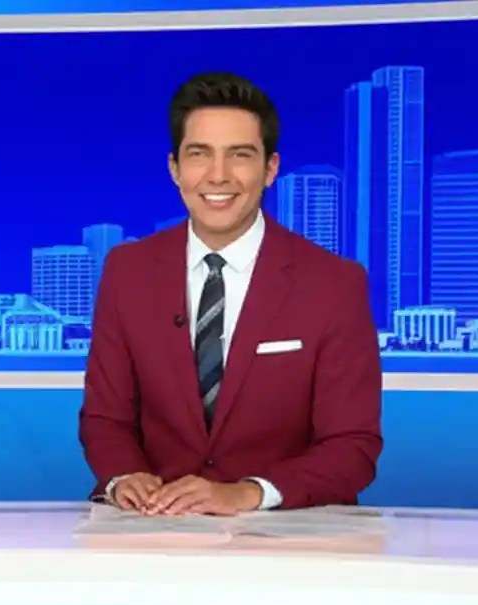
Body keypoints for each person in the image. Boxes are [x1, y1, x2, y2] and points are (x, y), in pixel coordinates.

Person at [79, 72, 382, 515]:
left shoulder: (334, 284)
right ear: (174, 168)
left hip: (284, 534)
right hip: (154, 527)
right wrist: (125, 476)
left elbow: (353, 446)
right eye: (199, 154)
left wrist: (246, 493)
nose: (218, 176)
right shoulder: (128, 272)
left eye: (239, 155)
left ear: (270, 169)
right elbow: (106, 418)